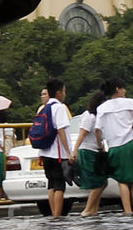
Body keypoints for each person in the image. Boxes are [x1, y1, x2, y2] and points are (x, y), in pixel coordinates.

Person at [96, 79, 133, 215]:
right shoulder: (129, 103)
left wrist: (100, 145)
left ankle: (127, 211)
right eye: (123, 88)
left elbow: (97, 129)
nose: (125, 91)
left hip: (115, 146)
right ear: (118, 89)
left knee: (122, 181)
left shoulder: (102, 108)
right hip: (131, 142)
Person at [37, 78, 74, 218]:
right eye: (64, 91)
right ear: (58, 93)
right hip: (57, 153)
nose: (65, 94)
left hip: (45, 152)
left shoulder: (45, 107)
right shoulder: (59, 107)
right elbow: (61, 130)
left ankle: (53, 214)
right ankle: (57, 216)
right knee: (60, 186)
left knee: (51, 184)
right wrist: (69, 152)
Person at [72, 90, 109, 216]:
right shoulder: (90, 116)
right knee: (99, 182)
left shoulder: (97, 116)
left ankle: (94, 209)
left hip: (94, 151)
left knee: (101, 182)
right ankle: (88, 210)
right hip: (88, 151)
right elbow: (83, 133)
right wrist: (75, 150)